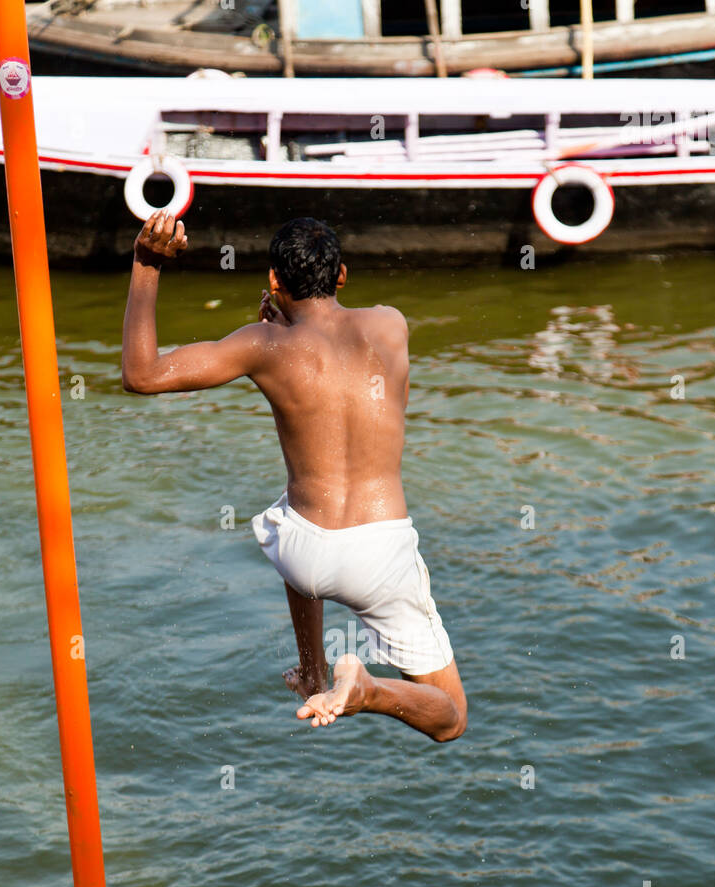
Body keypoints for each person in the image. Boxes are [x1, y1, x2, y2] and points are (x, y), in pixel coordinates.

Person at [121, 211, 467, 742]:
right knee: (450, 717)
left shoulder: (261, 346)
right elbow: (351, 375)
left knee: (290, 511)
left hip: (304, 555)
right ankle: (366, 690)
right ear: (343, 276)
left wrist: (147, 265)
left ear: (274, 281)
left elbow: (141, 376)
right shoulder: (391, 324)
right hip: (378, 555)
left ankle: (312, 669)